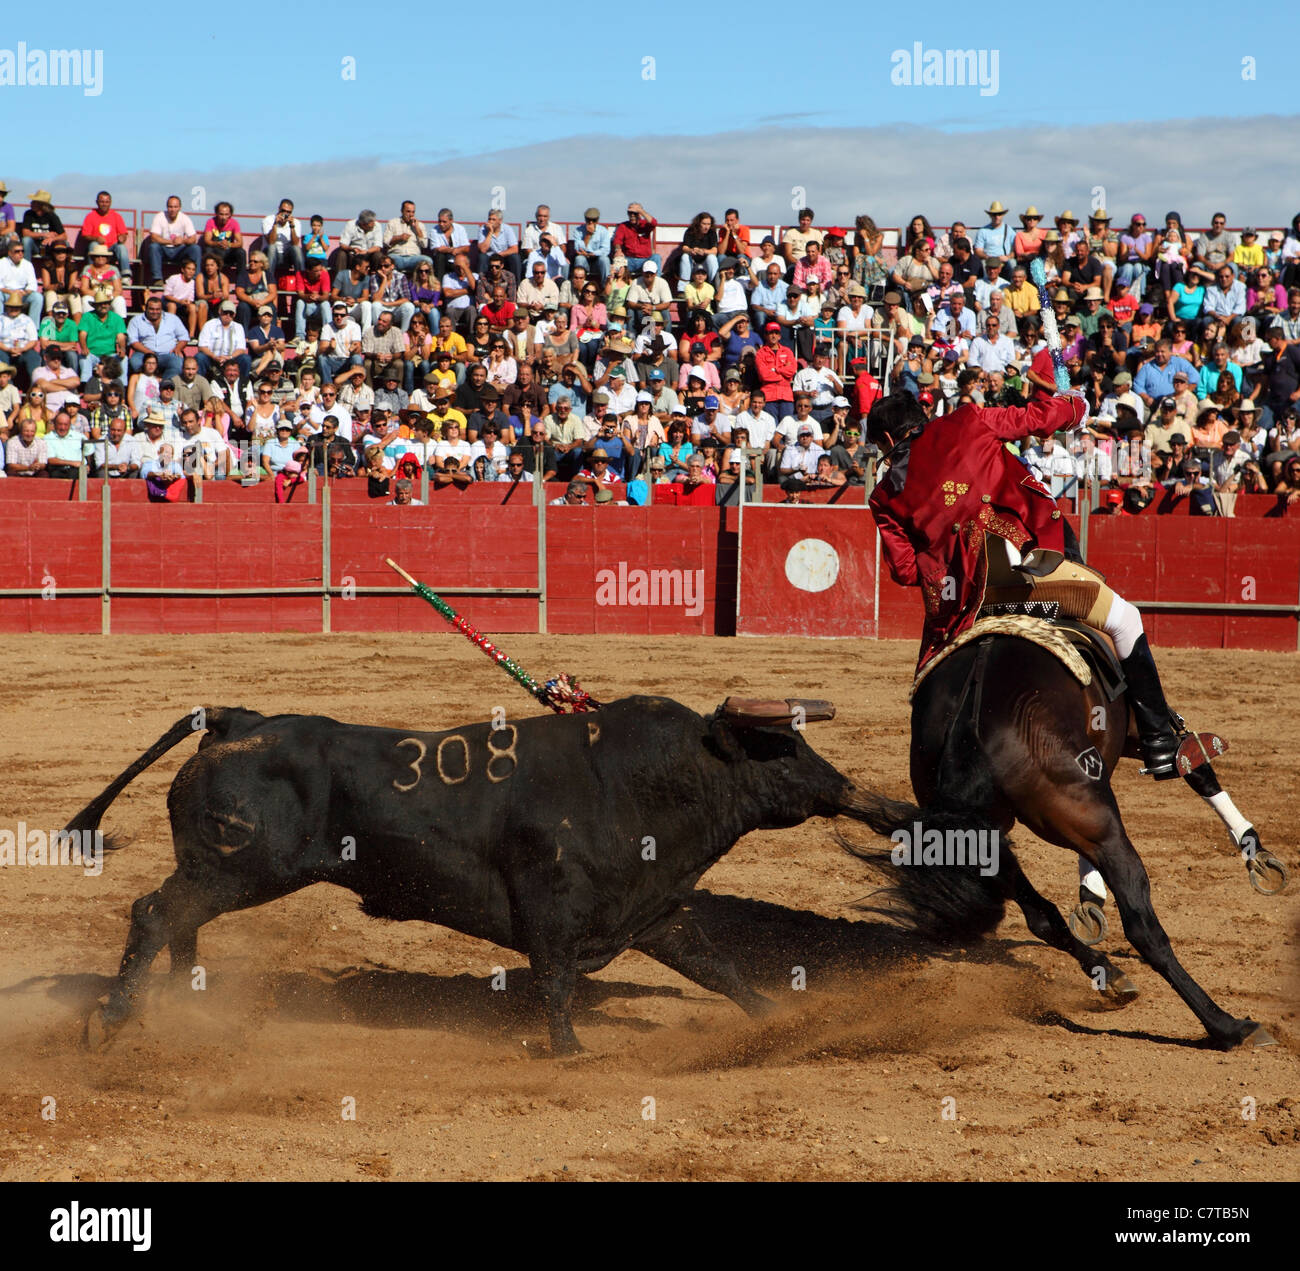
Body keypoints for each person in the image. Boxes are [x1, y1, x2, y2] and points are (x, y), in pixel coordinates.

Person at [867, 389, 1196, 779]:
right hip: (1026, 572)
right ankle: (1158, 740)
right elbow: (1038, 418)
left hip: (961, 609)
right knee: (1125, 619)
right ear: (921, 417)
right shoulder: (967, 420)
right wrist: (1076, 405)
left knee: (930, 686)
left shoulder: (883, 496)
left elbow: (905, 571)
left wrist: (948, 550)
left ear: (888, 440)